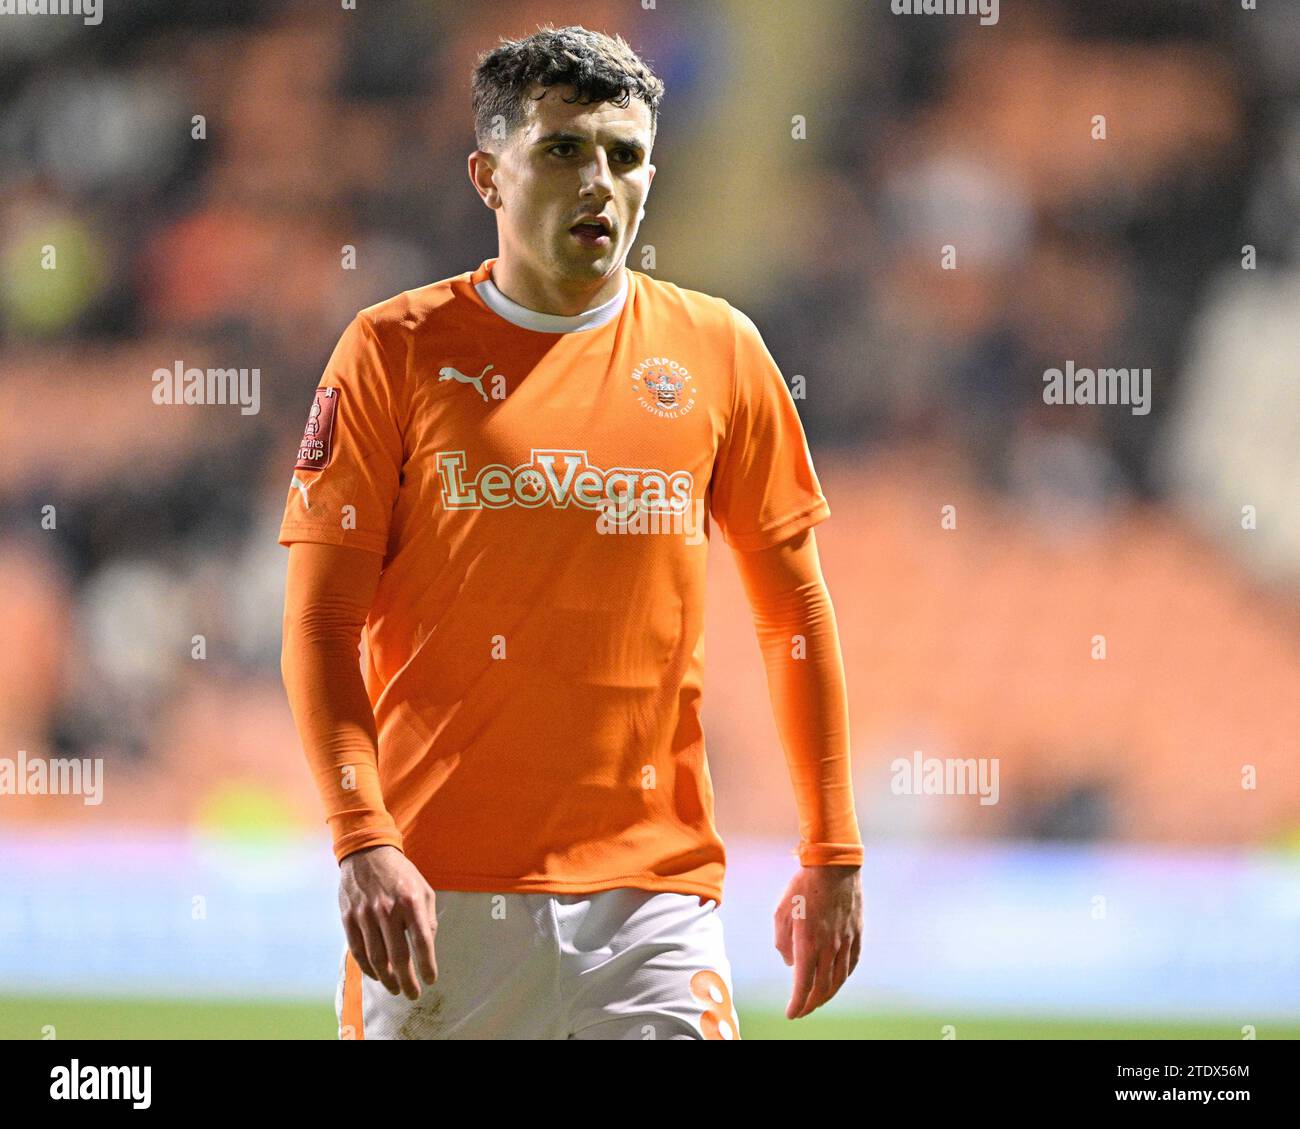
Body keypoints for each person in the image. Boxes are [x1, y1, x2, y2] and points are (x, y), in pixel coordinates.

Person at [279, 24, 863, 1041]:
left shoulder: (720, 351)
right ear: (486, 177)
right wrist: (360, 839)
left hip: (655, 903)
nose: (601, 181)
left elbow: (796, 612)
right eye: (562, 150)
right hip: (435, 899)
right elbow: (321, 626)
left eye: (625, 155)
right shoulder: (393, 352)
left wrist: (834, 852)